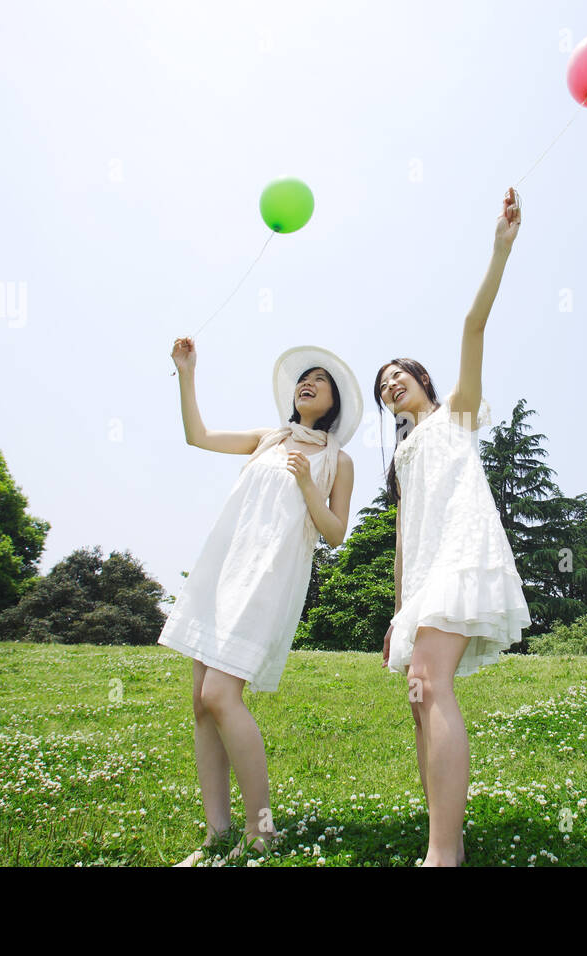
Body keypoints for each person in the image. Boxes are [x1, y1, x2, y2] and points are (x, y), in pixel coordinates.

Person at [374, 187, 531, 866]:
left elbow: (473, 327)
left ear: (423, 379)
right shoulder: (406, 453)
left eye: (397, 375)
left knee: (432, 683)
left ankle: (443, 854)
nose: (388, 386)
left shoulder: (458, 416)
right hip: (424, 575)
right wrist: (398, 609)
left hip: (465, 553)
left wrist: (499, 248)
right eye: (381, 384)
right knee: (419, 694)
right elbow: (407, 534)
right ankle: (448, 836)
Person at [161, 341, 360, 863]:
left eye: (321, 380)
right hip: (223, 568)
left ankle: (261, 828)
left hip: (267, 579)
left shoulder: (338, 461)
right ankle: (216, 833)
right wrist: (187, 373)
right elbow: (196, 436)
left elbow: (335, 533)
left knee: (223, 695)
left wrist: (306, 484)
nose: (308, 383)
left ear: (333, 402)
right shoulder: (267, 437)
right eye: (304, 378)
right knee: (203, 703)